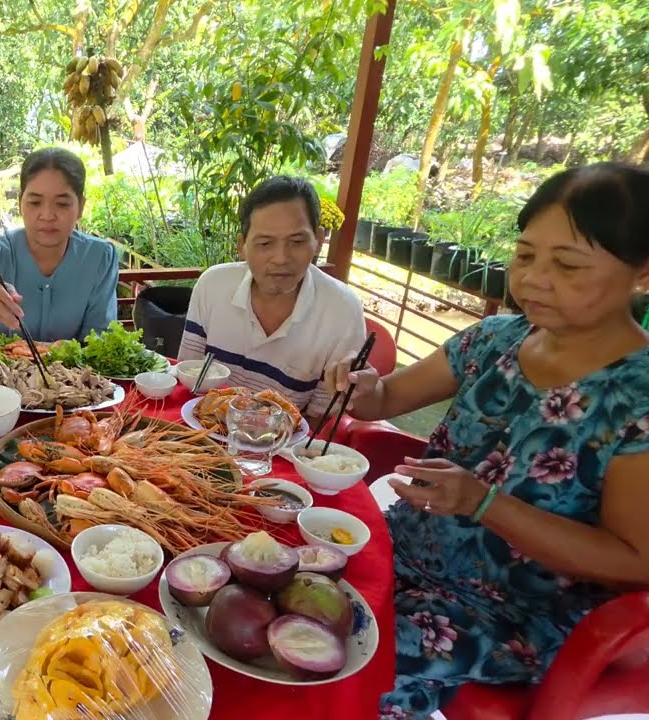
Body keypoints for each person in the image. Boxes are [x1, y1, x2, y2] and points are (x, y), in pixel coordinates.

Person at [323, 163, 649, 719]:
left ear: (642, 272)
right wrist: (362, 386)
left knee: (330, 664)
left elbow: (635, 561)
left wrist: (485, 503)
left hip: (510, 610)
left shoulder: (637, 399)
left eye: (567, 265)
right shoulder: (493, 339)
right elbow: (382, 401)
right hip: (398, 549)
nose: (534, 279)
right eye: (525, 256)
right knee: (270, 587)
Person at [178, 176, 366, 417]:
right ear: (242, 246)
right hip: (200, 435)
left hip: (281, 446)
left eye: (297, 241)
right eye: (265, 243)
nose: (281, 258)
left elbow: (318, 421)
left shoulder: (342, 311)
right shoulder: (213, 285)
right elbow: (188, 382)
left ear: (318, 241)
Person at [0, 147, 120, 341]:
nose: (47, 216)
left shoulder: (99, 257)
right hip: (1, 371)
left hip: (75, 372)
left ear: (81, 207)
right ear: (21, 203)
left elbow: (101, 337)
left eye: (62, 204)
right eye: (35, 202)